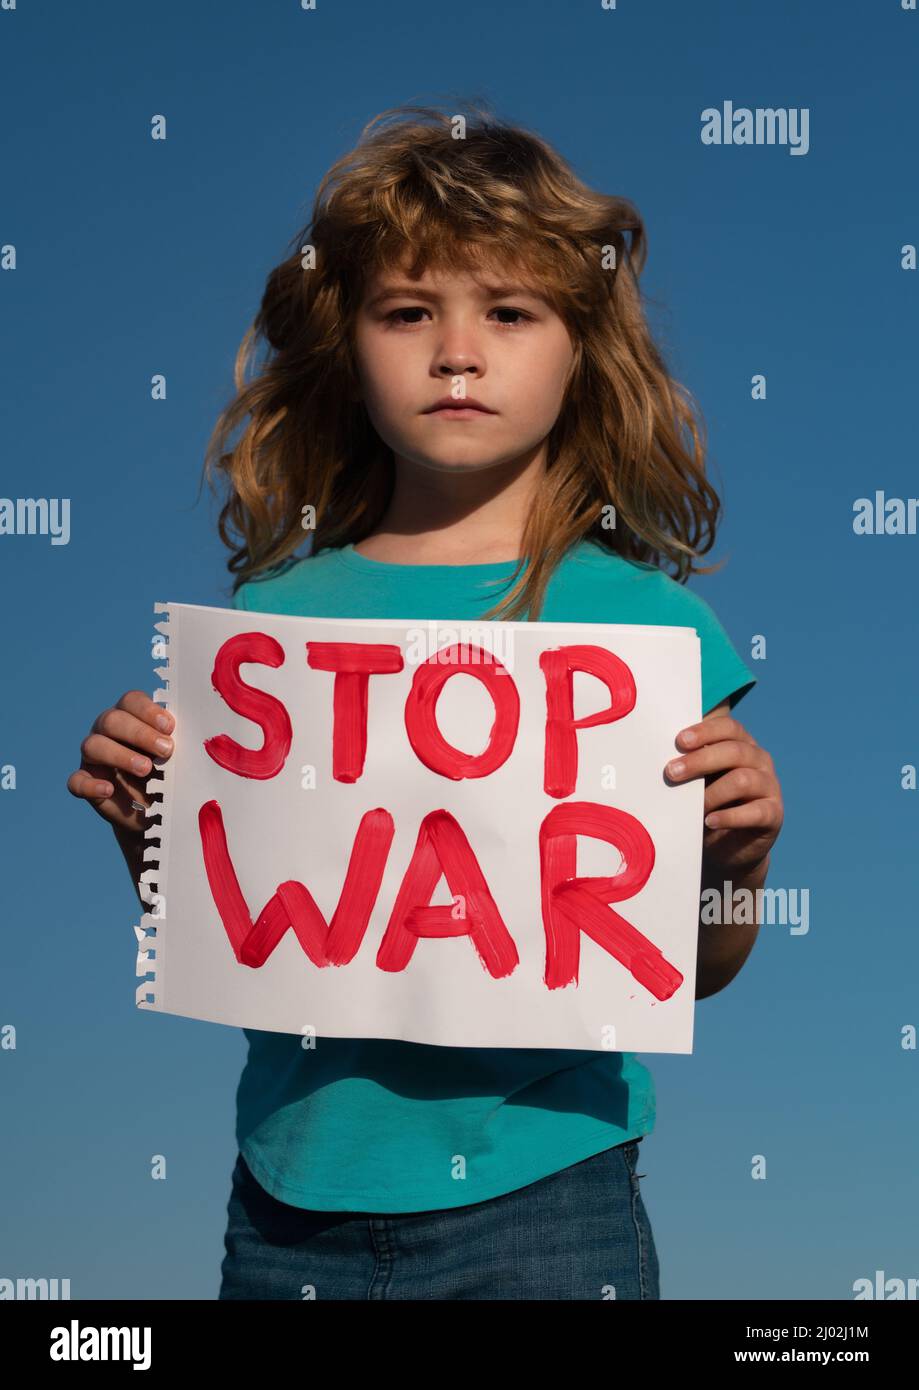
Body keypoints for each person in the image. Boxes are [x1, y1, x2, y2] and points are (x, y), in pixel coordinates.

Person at [67, 104, 784, 1300]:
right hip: (287, 1203)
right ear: (347, 345)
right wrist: (147, 824)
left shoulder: (650, 631)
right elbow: (260, 920)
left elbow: (695, 963)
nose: (458, 352)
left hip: (553, 1200)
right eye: (409, 313)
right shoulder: (271, 621)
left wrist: (740, 863)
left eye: (509, 312)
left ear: (580, 346)